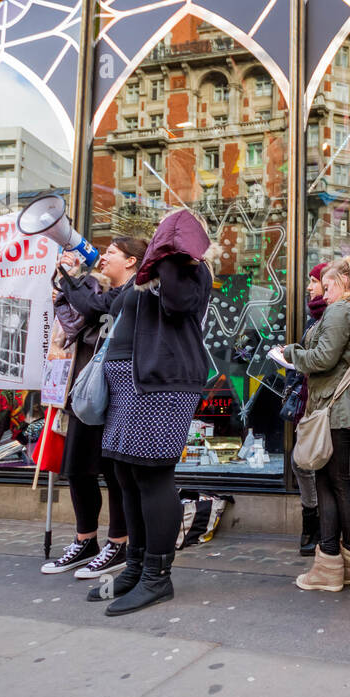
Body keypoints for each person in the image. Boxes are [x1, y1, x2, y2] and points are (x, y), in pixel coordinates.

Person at [99, 210, 214, 616]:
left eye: (168, 228)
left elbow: (180, 304)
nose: (160, 231)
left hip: (162, 383)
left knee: (152, 474)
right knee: (127, 475)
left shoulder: (188, 269)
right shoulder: (149, 271)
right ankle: (135, 565)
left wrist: (169, 252)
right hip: (131, 383)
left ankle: (157, 577)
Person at [40, 237, 147, 581]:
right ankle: (85, 540)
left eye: (111, 253)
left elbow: (96, 309)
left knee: (115, 472)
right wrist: (67, 280)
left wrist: (73, 280)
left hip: (119, 392)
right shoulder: (97, 289)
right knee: (78, 468)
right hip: (87, 390)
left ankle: (118, 543)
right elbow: (72, 322)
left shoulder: (136, 291)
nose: (102, 258)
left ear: (131, 261)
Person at [284, 255, 350, 591]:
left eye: (328, 287)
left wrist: (290, 355)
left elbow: (323, 359)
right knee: (347, 486)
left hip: (337, 411)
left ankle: (327, 566)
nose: (323, 295)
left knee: (330, 485)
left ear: (347, 283)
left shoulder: (341, 311)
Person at [289, 262, 328, 556]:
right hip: (308, 398)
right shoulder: (314, 318)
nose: (309, 287)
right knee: (302, 463)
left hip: (325, 402)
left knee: (308, 463)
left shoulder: (333, 316)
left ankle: (317, 525)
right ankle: (313, 522)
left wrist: (294, 355)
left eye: (313, 281)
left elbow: (321, 359)